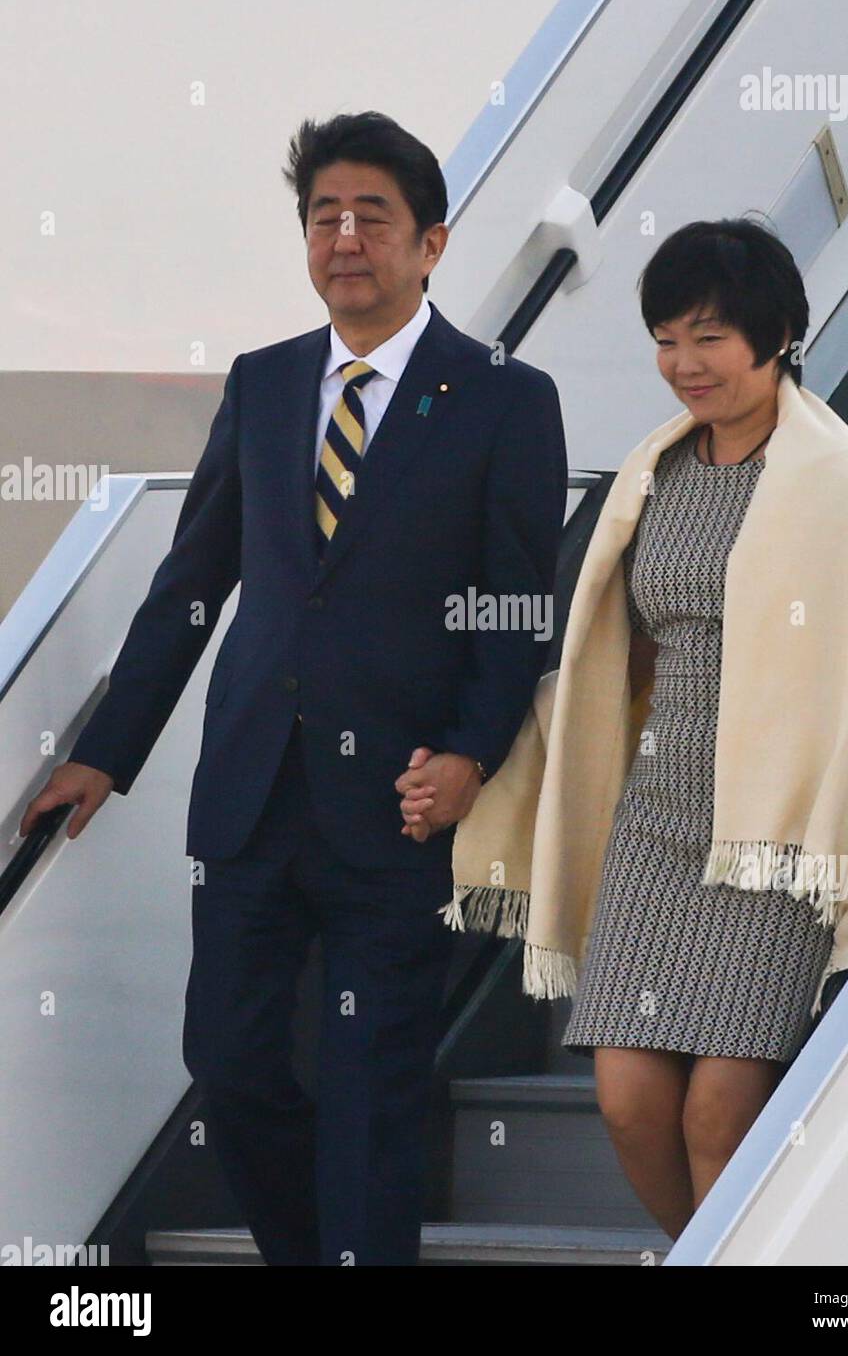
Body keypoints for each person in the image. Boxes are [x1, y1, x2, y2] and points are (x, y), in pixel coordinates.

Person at [18, 111, 568, 1266]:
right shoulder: (265, 385)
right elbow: (191, 583)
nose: (345, 237)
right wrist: (104, 751)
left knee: (371, 1091)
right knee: (229, 1060)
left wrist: (471, 751)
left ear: (432, 243)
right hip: (253, 798)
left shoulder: (503, 397)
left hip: (403, 803)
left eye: (373, 215)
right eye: (325, 216)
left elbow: (521, 607)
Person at [424, 217, 848, 1244]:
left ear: (775, 336)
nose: (682, 365)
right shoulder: (658, 471)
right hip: (655, 825)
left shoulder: (842, 477)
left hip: (772, 845)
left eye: (708, 337)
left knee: (717, 1117)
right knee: (629, 1102)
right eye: (665, 338)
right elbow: (620, 659)